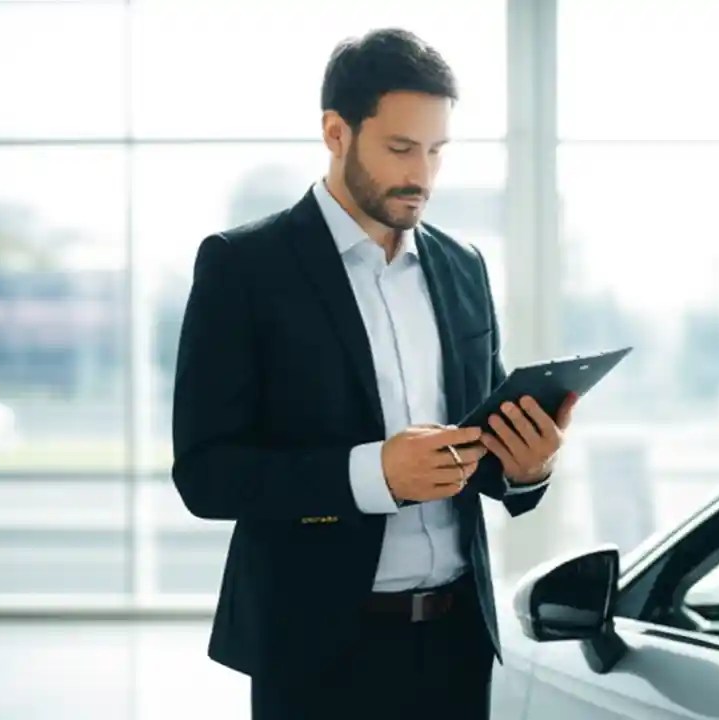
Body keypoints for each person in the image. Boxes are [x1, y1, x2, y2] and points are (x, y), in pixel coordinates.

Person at [170, 27, 578, 720]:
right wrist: (376, 476)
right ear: (336, 132)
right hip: (318, 649)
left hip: (455, 642)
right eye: (399, 148)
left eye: (436, 150)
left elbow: (480, 444)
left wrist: (525, 467)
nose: (421, 174)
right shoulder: (244, 268)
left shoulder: (463, 266)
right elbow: (206, 474)